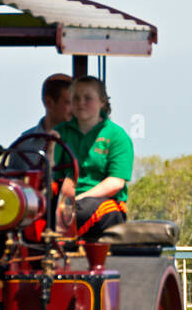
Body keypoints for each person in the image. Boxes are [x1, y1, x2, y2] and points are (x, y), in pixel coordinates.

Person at [52, 76, 132, 242]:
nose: (81, 103)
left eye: (87, 98)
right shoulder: (60, 132)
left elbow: (116, 182)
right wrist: (50, 147)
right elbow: (50, 170)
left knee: (83, 210)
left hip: (106, 204)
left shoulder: (117, 136)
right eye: (76, 98)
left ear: (102, 102)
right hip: (65, 200)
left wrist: (79, 199)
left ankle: (61, 244)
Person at [8, 73, 74, 172]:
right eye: (69, 103)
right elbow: (13, 183)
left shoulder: (83, 141)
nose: (75, 109)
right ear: (49, 103)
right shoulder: (23, 145)